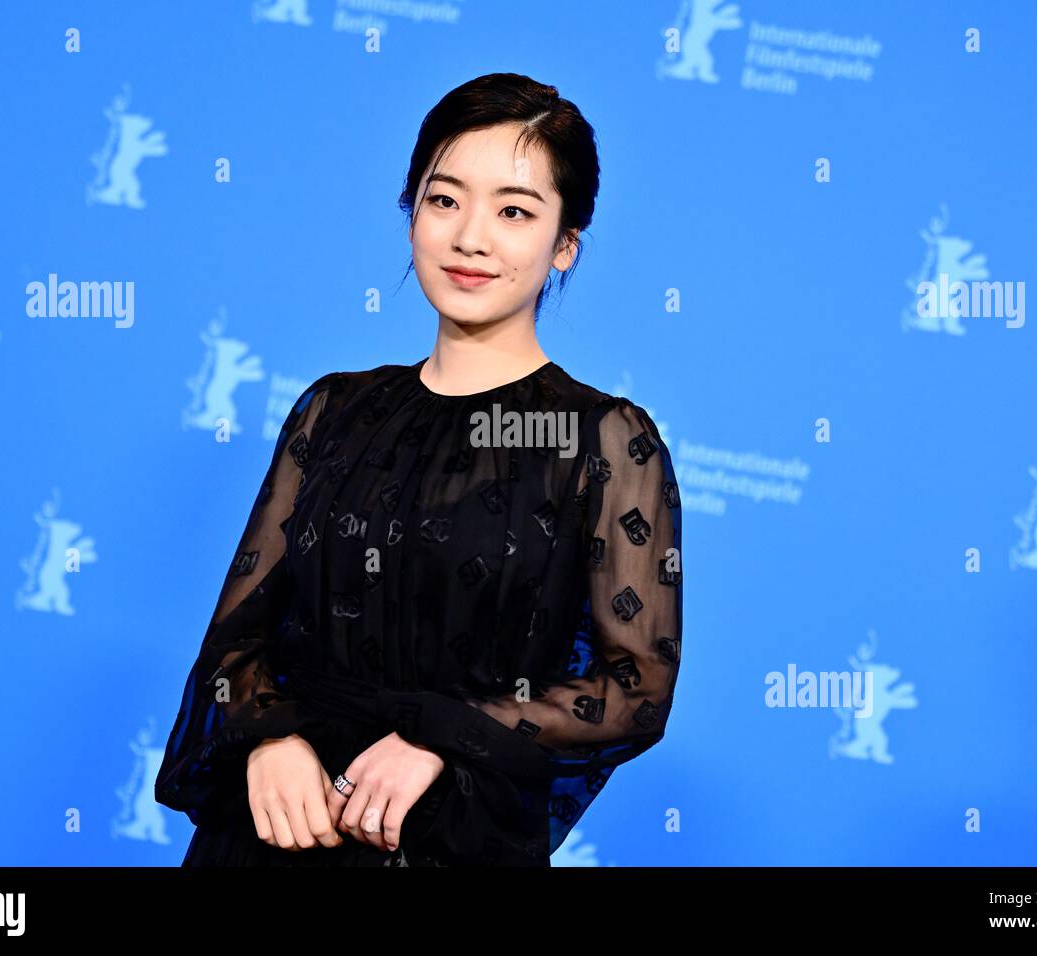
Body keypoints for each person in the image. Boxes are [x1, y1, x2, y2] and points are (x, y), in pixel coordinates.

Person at [155, 73, 684, 867]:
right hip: (271, 832)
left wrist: (442, 738)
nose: (471, 237)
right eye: (445, 200)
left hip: (448, 838)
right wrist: (269, 739)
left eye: (514, 211)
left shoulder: (605, 439)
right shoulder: (331, 410)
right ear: (412, 213)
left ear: (565, 242)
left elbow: (634, 691)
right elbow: (234, 646)